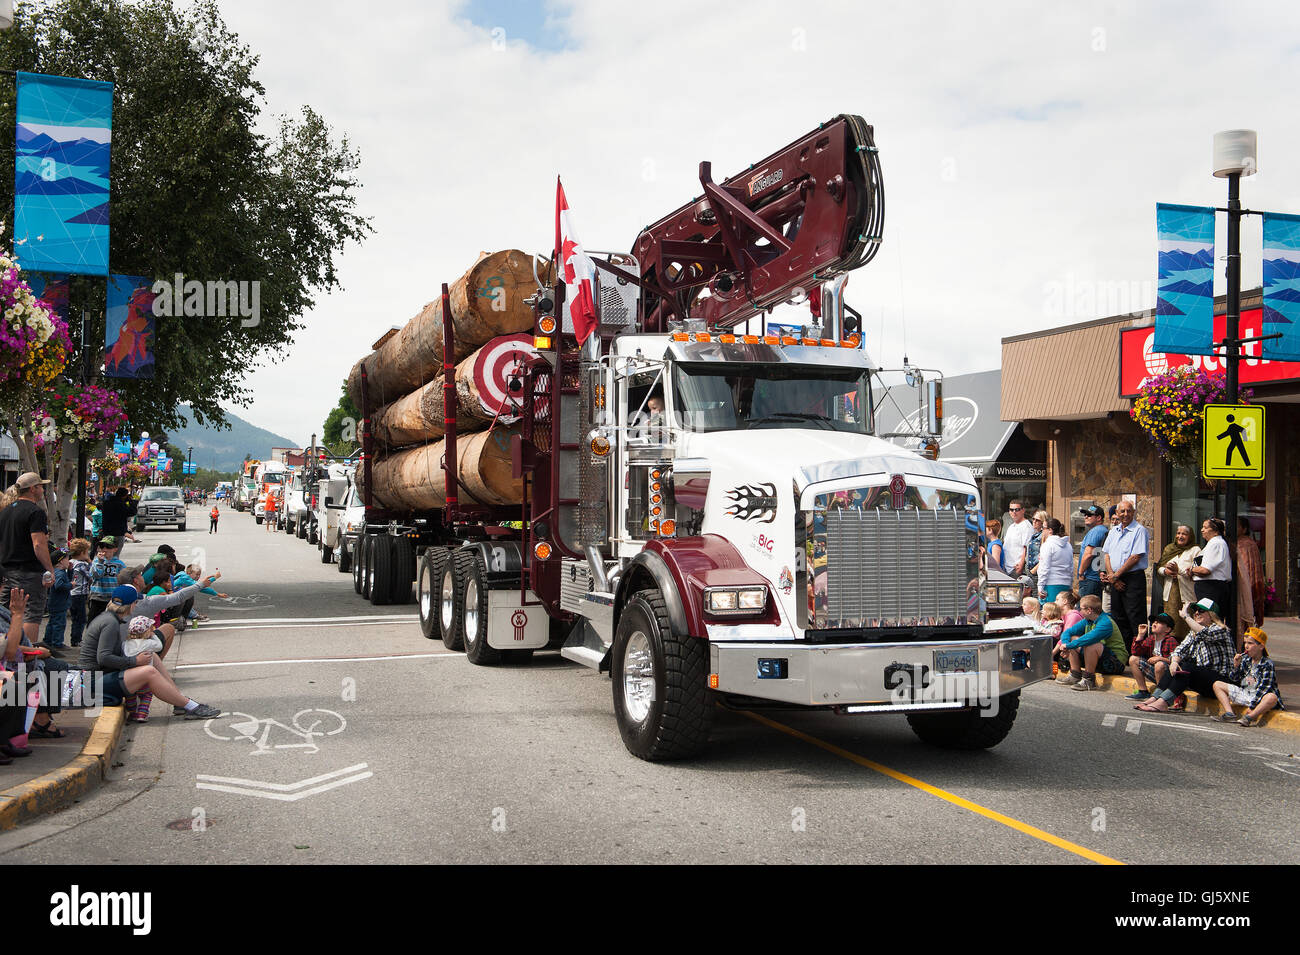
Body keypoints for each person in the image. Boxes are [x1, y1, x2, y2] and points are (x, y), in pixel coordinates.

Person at [76, 585, 221, 720]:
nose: (136, 605)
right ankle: (191, 706)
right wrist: (135, 661)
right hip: (92, 683)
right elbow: (103, 658)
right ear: (131, 604)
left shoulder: (109, 617)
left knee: (153, 657)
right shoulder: (110, 623)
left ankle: (179, 700)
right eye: (135, 603)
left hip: (96, 677)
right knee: (149, 672)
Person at [1135, 597, 1236, 713]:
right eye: (1195, 610)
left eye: (1201, 610)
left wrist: (1185, 616)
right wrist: (1174, 662)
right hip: (1206, 681)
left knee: (1187, 667)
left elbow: (1205, 633)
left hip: (1221, 682)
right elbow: (1180, 650)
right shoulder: (1194, 633)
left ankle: (1163, 702)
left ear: (1211, 615)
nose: (1197, 613)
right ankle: (1155, 698)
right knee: (1179, 665)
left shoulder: (1220, 629)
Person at [0, 472, 57, 651]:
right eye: (41, 486)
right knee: (30, 614)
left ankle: (8, 653)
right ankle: (27, 656)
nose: (42, 490)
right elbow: (39, 544)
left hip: (6, 572)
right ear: (33, 489)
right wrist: (49, 569)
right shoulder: (35, 512)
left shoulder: (6, 511)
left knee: (6, 614)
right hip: (28, 572)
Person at [1054, 593, 1129, 691]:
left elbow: (1088, 639)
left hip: (1116, 663)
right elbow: (1068, 632)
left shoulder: (1105, 623)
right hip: (1099, 659)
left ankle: (1088, 679)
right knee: (1073, 638)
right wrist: (1065, 644)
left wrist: (1068, 646)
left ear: (1089, 610)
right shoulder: (1088, 620)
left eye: (1081, 608)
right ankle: (1075, 675)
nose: (1079, 611)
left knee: (1090, 644)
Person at [1100, 500, 1148, 652]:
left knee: (1135, 617)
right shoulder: (1114, 531)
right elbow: (1106, 554)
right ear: (1117, 514)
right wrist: (1112, 576)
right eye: (1122, 511)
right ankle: (1124, 652)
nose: (1125, 514)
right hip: (1115, 579)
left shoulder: (1139, 530)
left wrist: (1116, 576)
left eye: (1129, 511)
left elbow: (1135, 557)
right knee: (1118, 617)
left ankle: (1140, 652)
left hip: (1133, 578)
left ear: (1133, 513)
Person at [1211, 627, 1284, 726]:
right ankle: (1229, 713)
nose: (1246, 646)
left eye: (1250, 643)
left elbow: (1265, 688)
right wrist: (1236, 666)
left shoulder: (1267, 664)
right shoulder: (1245, 660)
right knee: (1217, 684)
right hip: (1246, 693)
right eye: (1245, 643)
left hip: (1260, 698)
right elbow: (1234, 679)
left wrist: (1253, 706)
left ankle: (1249, 717)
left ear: (1261, 646)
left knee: (1272, 697)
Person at [1154, 525, 1199, 638]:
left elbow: (1195, 571)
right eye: (1178, 533)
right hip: (1171, 593)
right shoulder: (1169, 549)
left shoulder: (1195, 550)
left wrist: (1178, 570)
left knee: (1187, 621)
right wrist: (1166, 571)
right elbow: (1159, 567)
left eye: (1184, 534)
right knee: (1171, 622)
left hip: (1187, 592)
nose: (1180, 536)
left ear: (1190, 536)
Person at [1125, 613, 1178, 701]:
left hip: (1170, 676)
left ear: (1167, 629)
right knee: (1133, 659)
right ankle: (1143, 691)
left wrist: (1160, 658)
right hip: (1155, 672)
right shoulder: (1151, 639)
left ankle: (1160, 695)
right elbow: (1135, 652)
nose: (1154, 624)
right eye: (1155, 621)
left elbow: (1176, 660)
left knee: (1159, 665)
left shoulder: (1171, 641)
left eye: (1159, 622)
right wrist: (1140, 635)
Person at [1188, 518, 1232, 616]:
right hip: (1208, 587)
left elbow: (1205, 570)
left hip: (1211, 588)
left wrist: (1192, 569)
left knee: (1209, 618)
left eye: (1205, 527)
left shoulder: (1216, 543)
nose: (1202, 530)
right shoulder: (1212, 543)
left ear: (1215, 531)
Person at [1235, 517, 1264, 639]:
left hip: (1243, 589)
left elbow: (1248, 571)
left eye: (1237, 525)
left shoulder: (1246, 545)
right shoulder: (1235, 542)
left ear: (1244, 529)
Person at [41, 547, 72, 654]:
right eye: (67, 559)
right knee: (59, 623)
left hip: (55, 603)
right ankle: (57, 643)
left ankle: (48, 640)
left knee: (52, 622)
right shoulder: (60, 573)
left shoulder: (59, 571)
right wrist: (70, 585)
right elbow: (59, 585)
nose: (69, 561)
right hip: (59, 603)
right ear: (60, 562)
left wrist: (70, 570)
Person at [87, 536, 125, 622]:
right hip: (97, 596)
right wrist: (100, 562)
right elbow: (95, 575)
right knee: (93, 621)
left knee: (112, 621)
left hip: (112, 598)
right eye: (102, 546)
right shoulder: (96, 562)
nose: (104, 549)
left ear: (115, 549)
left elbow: (124, 579)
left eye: (108, 547)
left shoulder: (119, 564)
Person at [1036, 518, 1074, 603]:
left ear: (1050, 530)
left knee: (1051, 613)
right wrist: (1070, 585)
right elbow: (1071, 567)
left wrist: (1040, 586)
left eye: (1043, 528)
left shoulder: (1047, 545)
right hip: (1066, 584)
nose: (1042, 530)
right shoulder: (1068, 545)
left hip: (1051, 583)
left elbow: (1044, 568)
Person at [1076, 505, 1108, 599]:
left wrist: (1081, 573)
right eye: (1085, 514)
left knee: (1085, 609)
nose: (1086, 516)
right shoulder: (1104, 530)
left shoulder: (1096, 531)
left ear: (1099, 518)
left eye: (1089, 515)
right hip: (1096, 578)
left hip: (1090, 578)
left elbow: (1089, 554)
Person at [67, 538, 93, 649]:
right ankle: (76, 639)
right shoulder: (82, 565)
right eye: (87, 552)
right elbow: (91, 576)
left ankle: (75, 638)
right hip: (79, 594)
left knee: (75, 618)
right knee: (81, 618)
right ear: (82, 553)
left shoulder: (70, 562)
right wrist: (90, 561)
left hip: (71, 594)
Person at [1002, 500, 1034, 579]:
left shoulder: (1026, 526)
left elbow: (1026, 547)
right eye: (1011, 510)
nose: (1014, 512)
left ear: (1023, 510)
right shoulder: (1011, 526)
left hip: (1016, 569)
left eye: (1017, 509)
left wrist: (1021, 565)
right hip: (1007, 568)